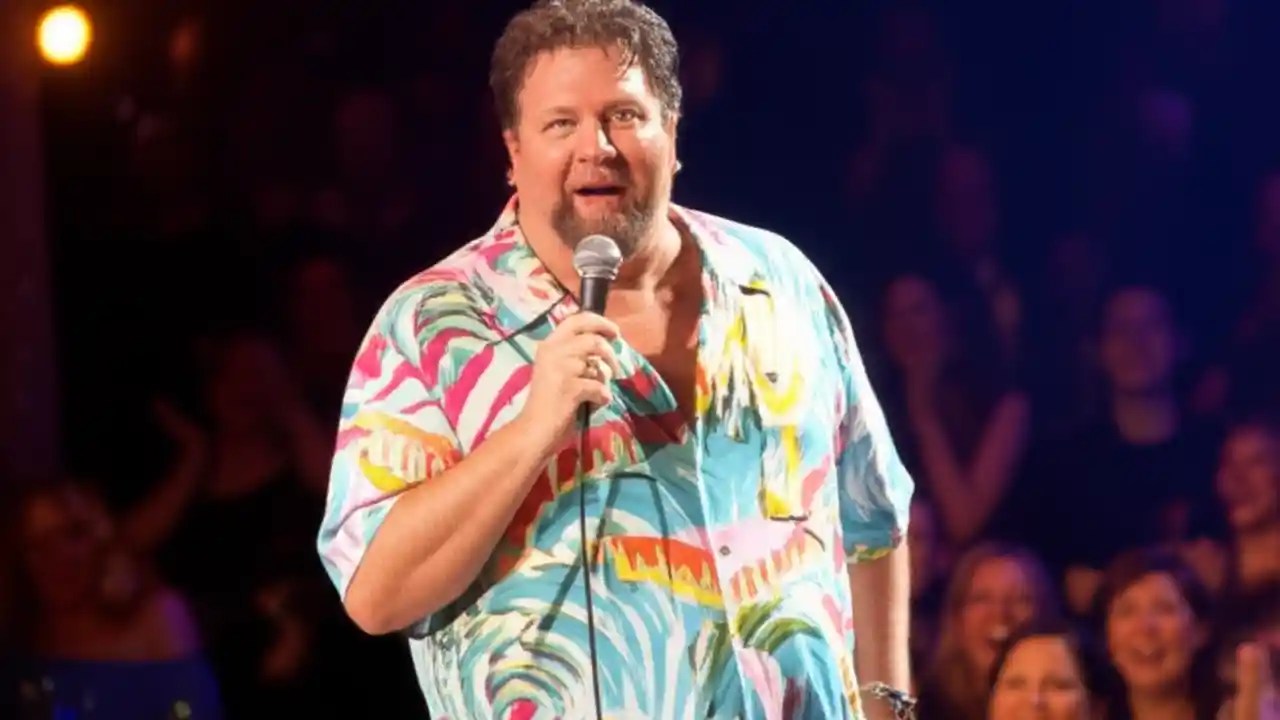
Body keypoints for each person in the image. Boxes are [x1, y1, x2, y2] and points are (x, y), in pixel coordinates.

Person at [315, 1, 915, 718]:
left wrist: (886, 701)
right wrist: (531, 431)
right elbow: (377, 595)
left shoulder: (778, 280)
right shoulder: (433, 326)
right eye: (560, 123)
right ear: (513, 151)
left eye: (625, 115)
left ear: (673, 132)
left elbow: (874, 519)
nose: (595, 146)